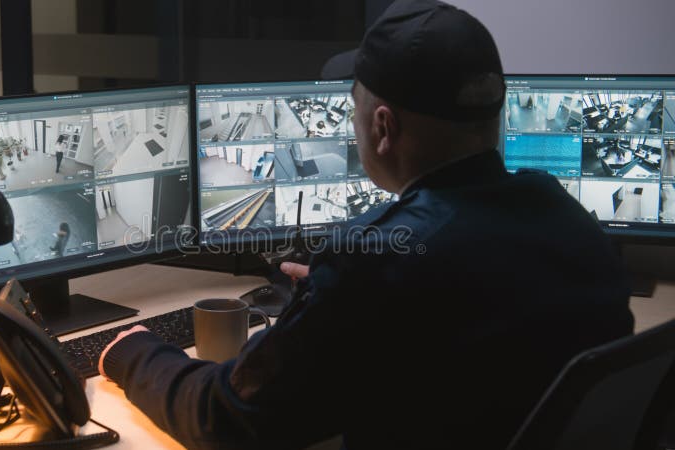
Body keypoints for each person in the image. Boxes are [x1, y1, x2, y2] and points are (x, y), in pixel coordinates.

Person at [98, 1, 633, 449]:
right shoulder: (570, 221)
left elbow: (226, 420)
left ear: (383, 128)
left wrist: (135, 354)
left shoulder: (374, 264)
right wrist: (332, 297)